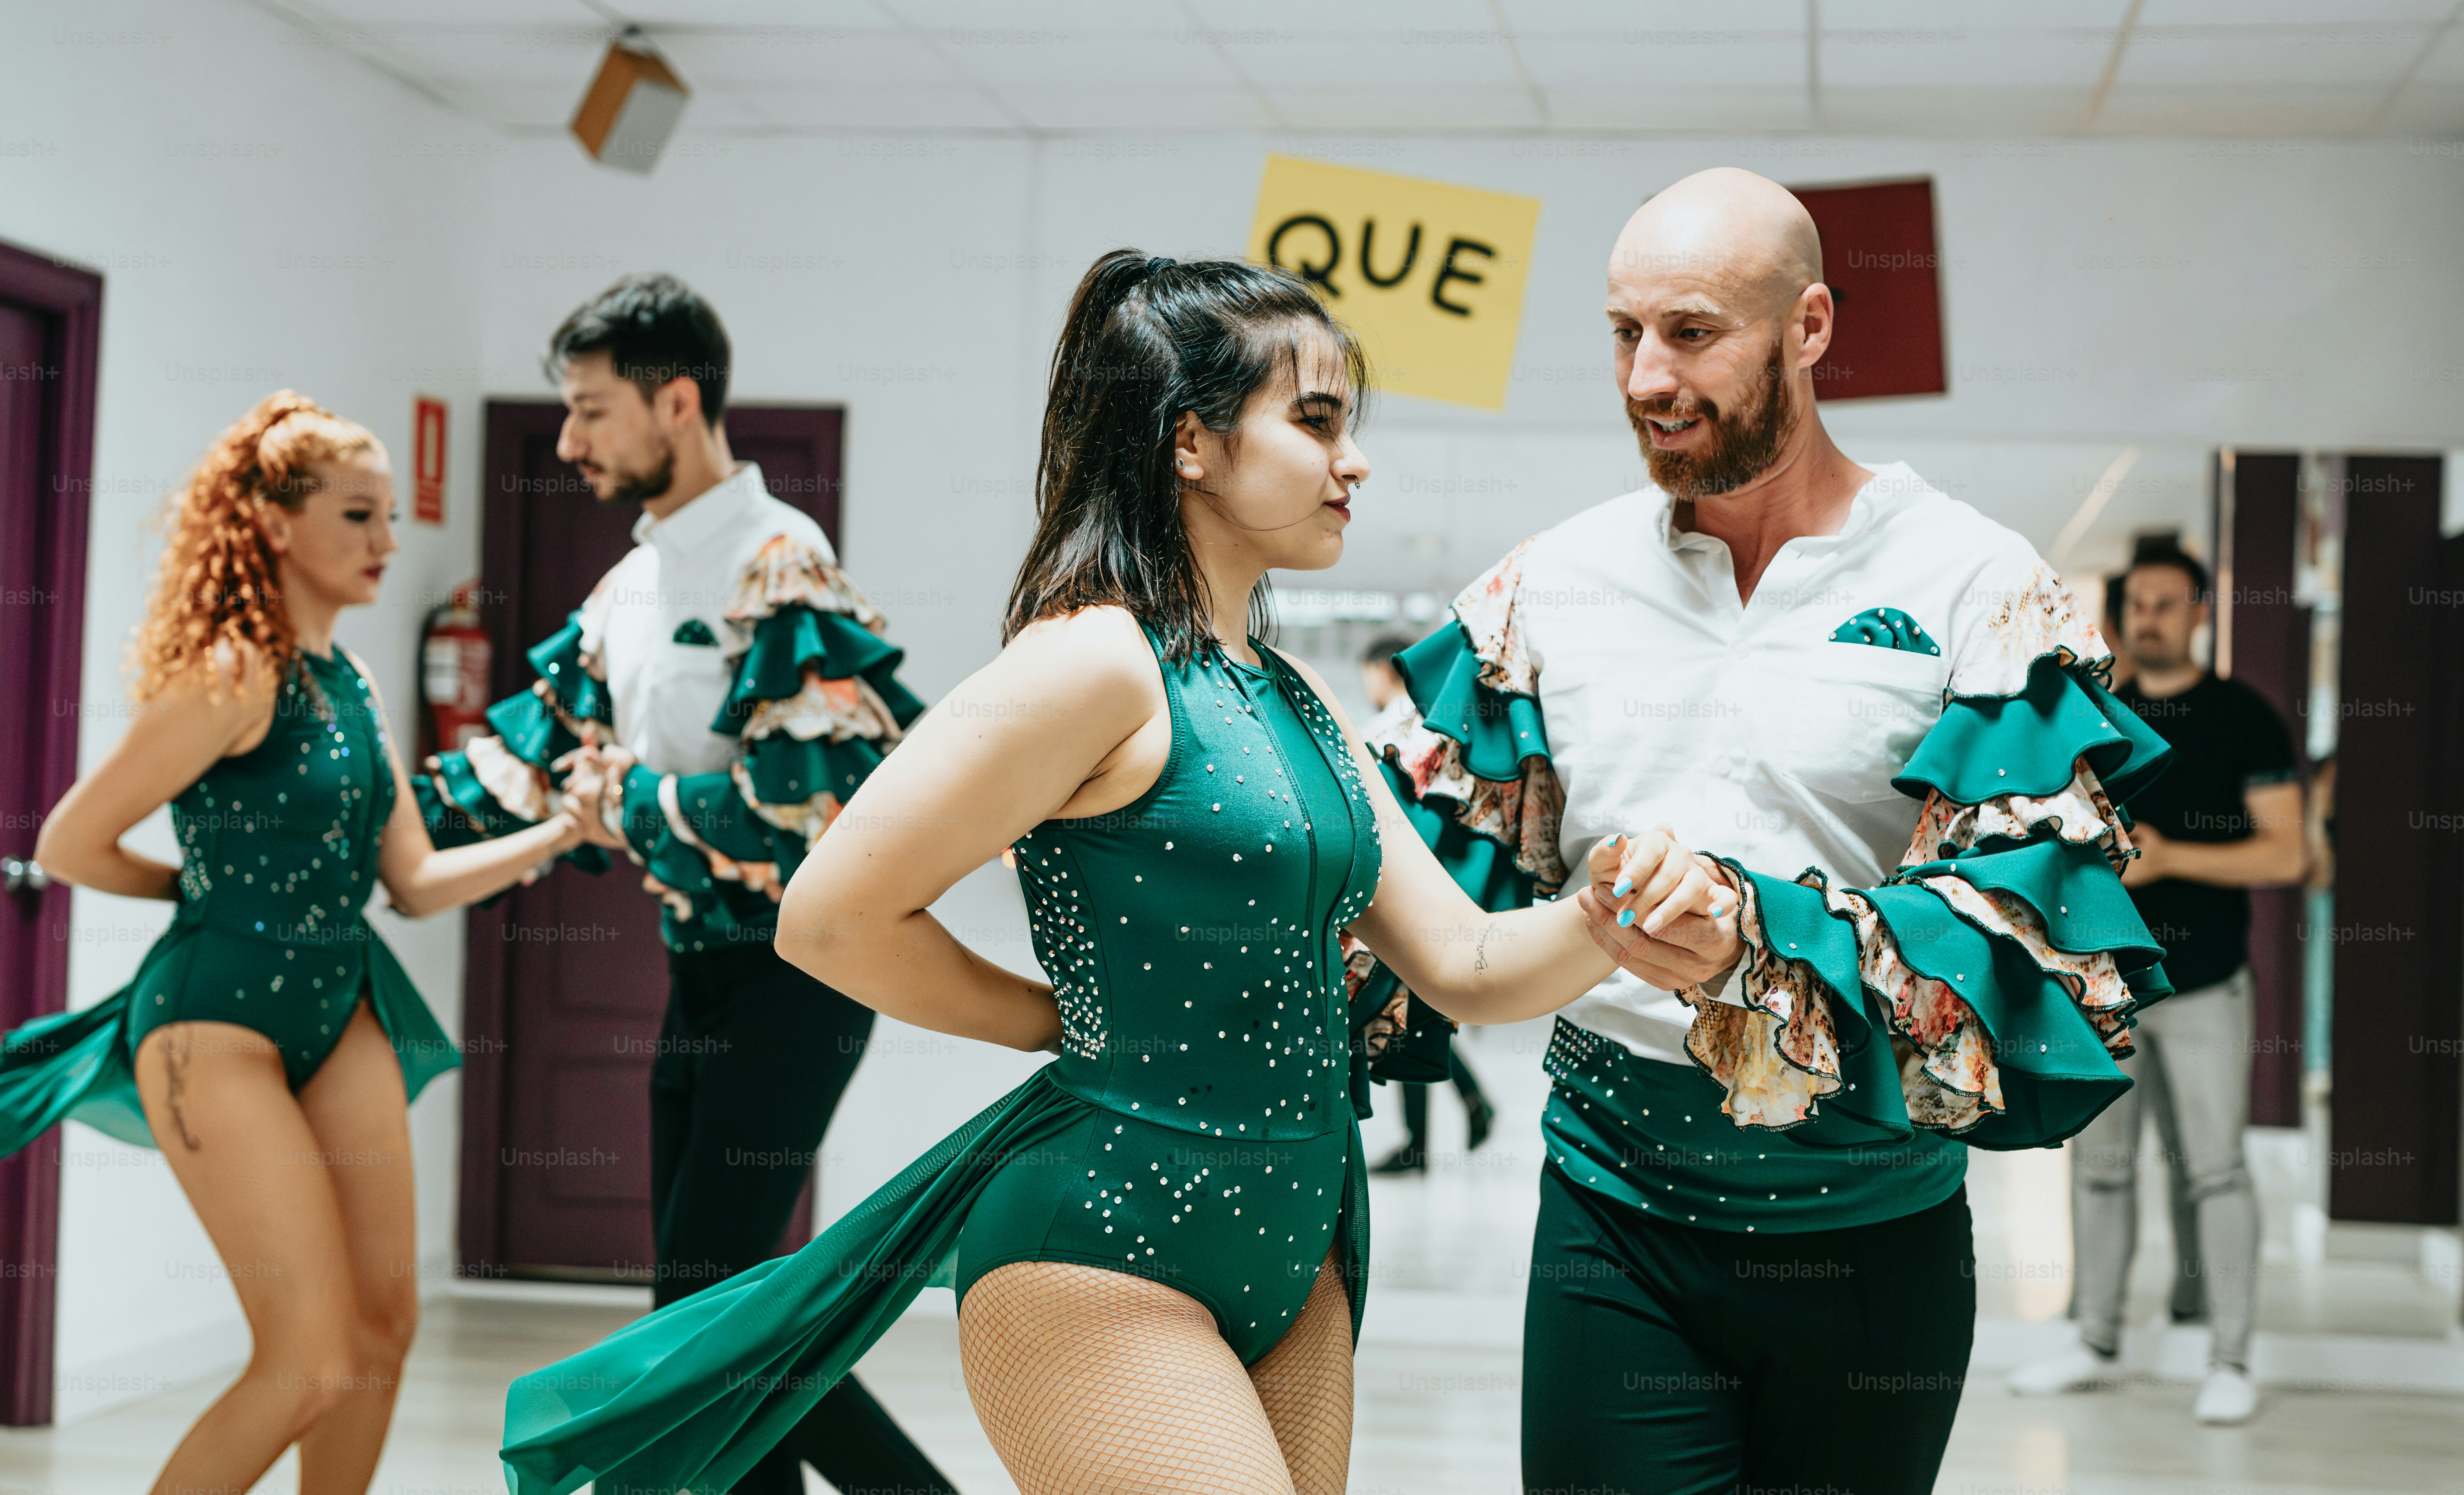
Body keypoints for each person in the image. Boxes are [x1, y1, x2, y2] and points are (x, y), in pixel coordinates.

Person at [493, 249, 1731, 1495]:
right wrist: (1049, 1020)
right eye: (1313, 423)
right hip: (1099, 1247)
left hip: (1297, 1254)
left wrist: (1609, 908)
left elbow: (1464, 964)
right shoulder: (1091, 661)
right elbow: (830, 917)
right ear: (1188, 442)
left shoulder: (1299, 702)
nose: (1351, 461)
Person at [1363, 168, 2178, 1495]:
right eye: (1622, 332)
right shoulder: (1546, 588)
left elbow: (2035, 947)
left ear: (1807, 327)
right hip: (1613, 1217)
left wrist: (1756, 933)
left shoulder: (1980, 584)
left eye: (1690, 332)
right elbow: (1404, 874)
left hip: (1877, 1236)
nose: (1643, 375)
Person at [0, 393, 602, 1495]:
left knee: (381, 1333)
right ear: (276, 524)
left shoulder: (355, 685)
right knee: (306, 1362)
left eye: (388, 520)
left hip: (343, 1005)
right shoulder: (232, 673)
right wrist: (207, 889)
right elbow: (73, 841)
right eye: (360, 516)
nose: (387, 542)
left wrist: (559, 833)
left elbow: (413, 885)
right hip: (210, 1024)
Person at [410, 274, 952, 1495]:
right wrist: (373, 815)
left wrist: (628, 806)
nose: (569, 442)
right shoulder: (631, 585)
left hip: (801, 981)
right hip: (699, 977)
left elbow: (810, 811)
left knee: (709, 1308)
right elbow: (524, 756)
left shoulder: (778, 559)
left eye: (592, 411)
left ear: (678, 402)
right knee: (715, 1313)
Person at [2009, 538, 2304, 1424]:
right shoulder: (2097, 717)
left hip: (2206, 982)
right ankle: (2093, 1341)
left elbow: (2287, 850)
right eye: (2136, 603)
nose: (2148, 617)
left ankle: (2229, 1359)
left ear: (2199, 612)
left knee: (2214, 1170)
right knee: (2098, 1168)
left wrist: (2173, 855)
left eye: (2167, 603)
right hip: (2107, 985)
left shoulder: (2242, 716)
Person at [1358, 634, 1496, 1173]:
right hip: (1432, 898)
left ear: (1381, 668)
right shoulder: (1427, 728)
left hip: (1404, 900)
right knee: (1415, 1014)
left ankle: (1425, 1140)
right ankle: (1461, 1113)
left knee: (1406, 1015)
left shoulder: (1396, 727)